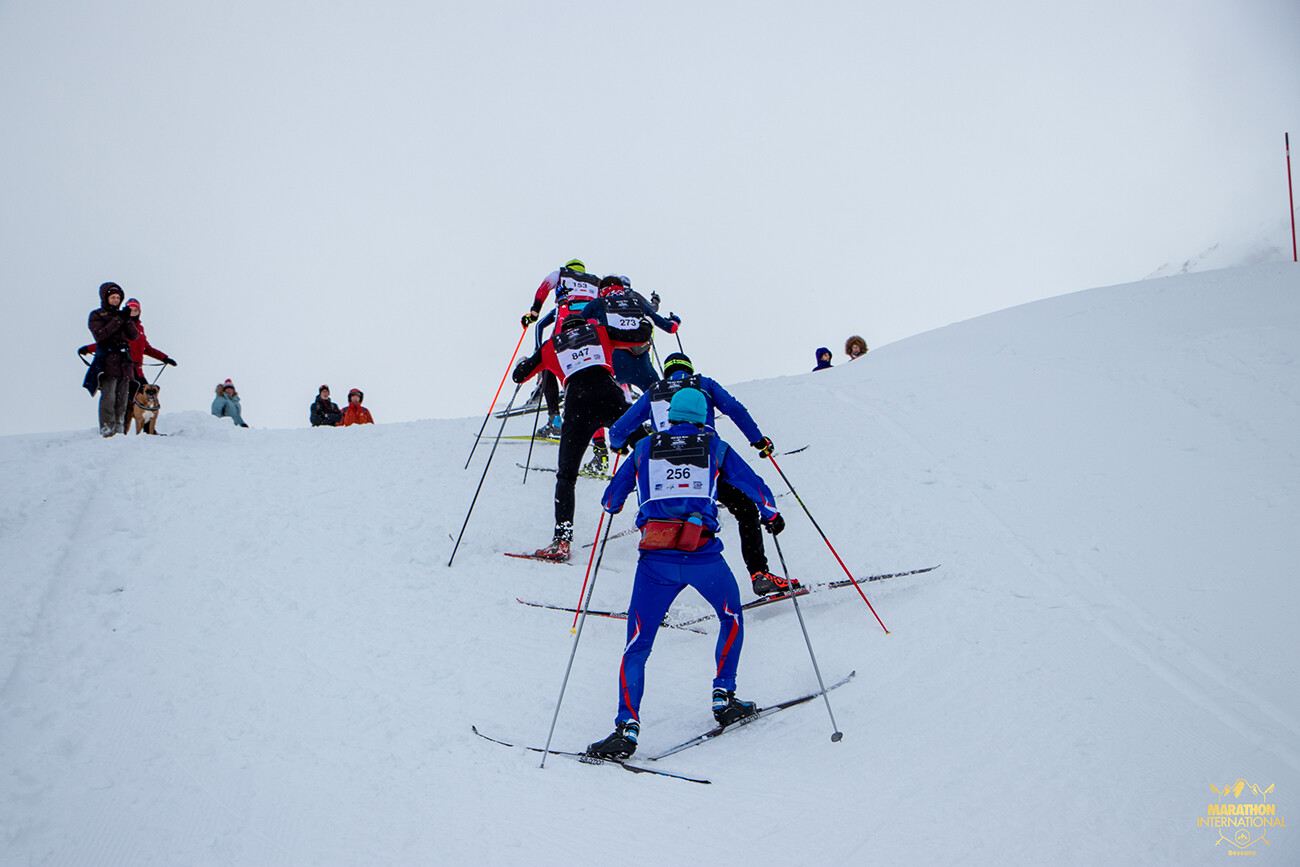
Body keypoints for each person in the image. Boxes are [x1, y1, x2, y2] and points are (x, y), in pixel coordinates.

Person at [586, 387, 785, 760]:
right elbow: (753, 485)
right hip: (703, 555)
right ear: (703, 417)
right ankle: (724, 698)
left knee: (637, 645)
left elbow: (610, 501)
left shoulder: (644, 447)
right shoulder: (716, 447)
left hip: (655, 562)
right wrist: (771, 514)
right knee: (731, 618)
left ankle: (626, 730)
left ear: (672, 416)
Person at [607, 351, 800, 596]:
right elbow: (735, 409)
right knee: (746, 509)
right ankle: (759, 573)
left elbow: (618, 430)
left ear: (667, 371)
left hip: (664, 471)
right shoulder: (704, 384)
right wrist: (758, 440)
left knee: (662, 520)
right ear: (689, 369)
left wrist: (618, 443)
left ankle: (655, 590)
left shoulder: (654, 391)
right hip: (706, 464)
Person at [511, 310, 630, 561]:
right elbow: (640, 335)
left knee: (566, 475)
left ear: (563, 329)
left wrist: (523, 363)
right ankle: (673, 514)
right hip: (610, 394)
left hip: (578, 403)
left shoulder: (551, 344)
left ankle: (562, 541)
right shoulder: (599, 331)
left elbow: (519, 376)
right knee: (649, 448)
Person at [520, 259, 602, 438]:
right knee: (589, 368)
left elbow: (544, 289)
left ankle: (554, 419)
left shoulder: (560, 274)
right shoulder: (596, 281)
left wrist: (533, 312)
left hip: (565, 323)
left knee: (549, 364)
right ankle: (595, 426)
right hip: (592, 330)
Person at [581, 276, 681, 396]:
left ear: (601, 291)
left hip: (615, 361)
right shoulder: (638, 302)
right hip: (642, 363)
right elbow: (671, 328)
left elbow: (574, 323)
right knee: (661, 399)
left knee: (602, 402)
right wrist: (675, 321)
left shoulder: (598, 303)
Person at [79, 297, 177, 390]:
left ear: (139, 312)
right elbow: (109, 342)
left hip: (138, 372)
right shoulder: (122, 325)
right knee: (131, 400)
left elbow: (146, 348)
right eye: (131, 309)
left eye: (136, 310)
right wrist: (88, 348)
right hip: (125, 369)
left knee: (147, 398)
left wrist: (164, 358)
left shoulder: (140, 329)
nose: (133, 312)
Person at [85, 281, 139, 437]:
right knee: (109, 397)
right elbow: (100, 335)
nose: (116, 300)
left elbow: (134, 336)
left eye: (118, 297)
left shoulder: (121, 315)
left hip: (124, 363)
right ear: (105, 298)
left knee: (122, 399)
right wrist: (119, 320)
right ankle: (107, 430)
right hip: (107, 362)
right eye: (113, 297)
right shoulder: (97, 315)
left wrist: (127, 319)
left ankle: (119, 428)